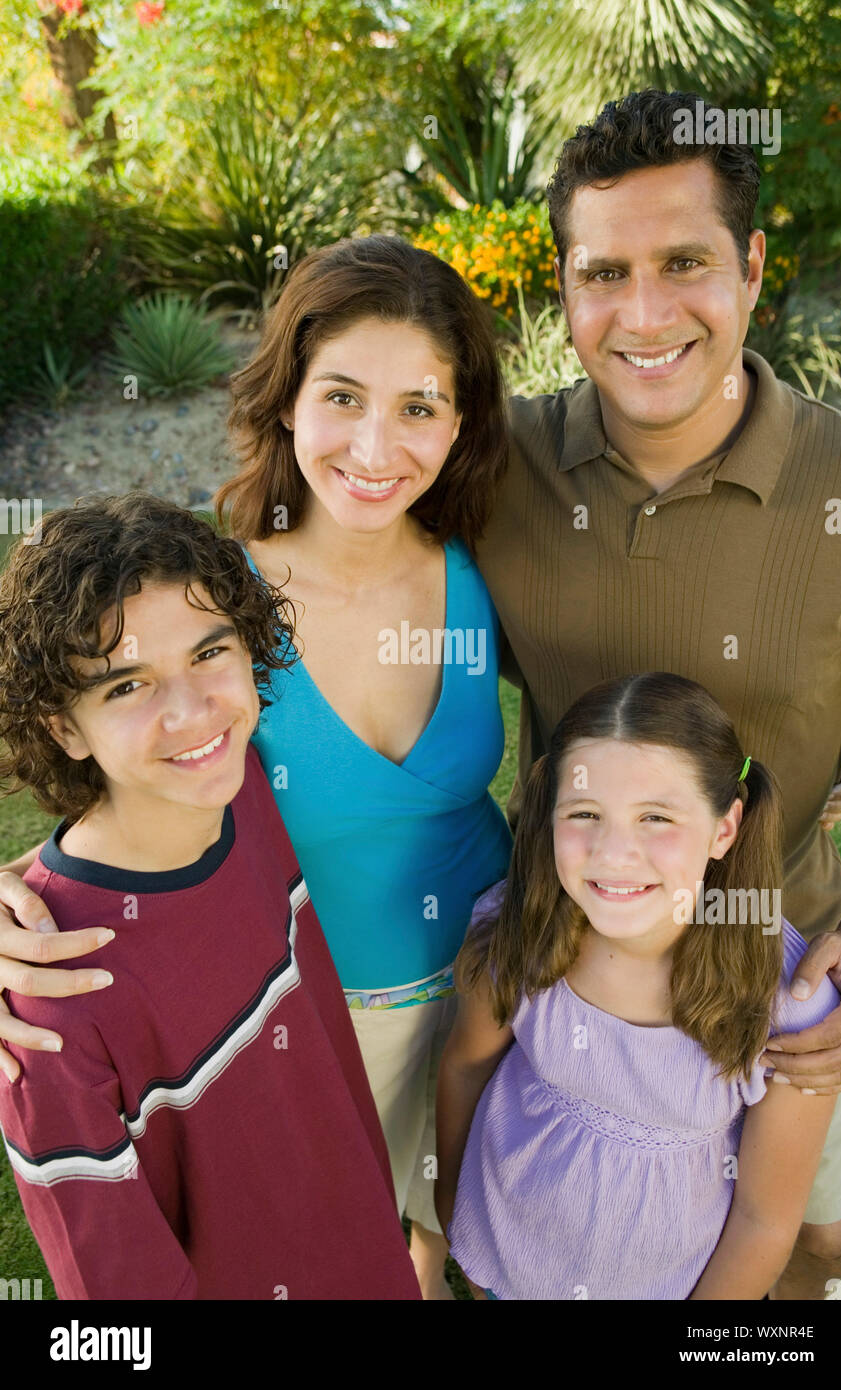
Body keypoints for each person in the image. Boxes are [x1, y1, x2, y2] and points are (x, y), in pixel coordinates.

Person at [0, 236, 514, 1300]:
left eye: (419, 405)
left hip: (493, 998)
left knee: (468, 1248)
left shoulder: (492, 566)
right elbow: (119, 786)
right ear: (287, 399)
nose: (378, 445)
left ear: (460, 421)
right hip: (304, 1029)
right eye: (341, 396)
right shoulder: (205, 610)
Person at [469, 89, 841, 1298]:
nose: (643, 315)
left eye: (685, 262)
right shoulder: (494, 470)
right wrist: (95, 849)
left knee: (806, 1245)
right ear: (564, 285)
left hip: (786, 986)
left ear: (751, 267)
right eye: (604, 272)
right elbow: (288, 605)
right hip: (556, 983)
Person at [0, 493, 421, 1300]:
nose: (192, 713)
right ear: (64, 727)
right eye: (127, 687)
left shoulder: (248, 788)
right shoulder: (50, 1011)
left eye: (209, 653)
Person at [436, 672, 839, 1300]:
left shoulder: (789, 1004)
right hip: (510, 1254)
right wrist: (453, 1202)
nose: (615, 852)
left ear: (725, 828)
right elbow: (465, 1067)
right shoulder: (521, 925)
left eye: (656, 816)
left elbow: (764, 1222)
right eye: (586, 813)